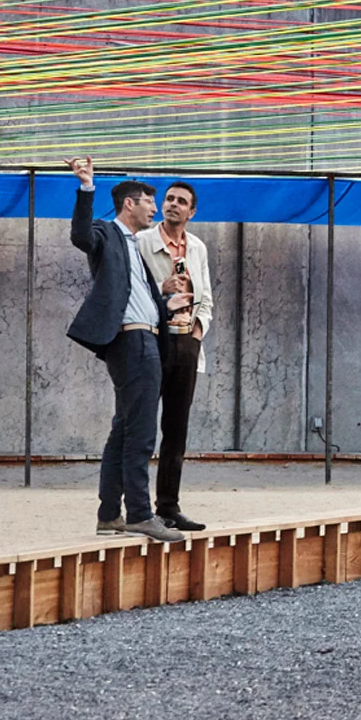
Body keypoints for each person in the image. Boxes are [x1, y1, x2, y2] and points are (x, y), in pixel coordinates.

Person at [64, 155, 191, 544]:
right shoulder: (105, 233)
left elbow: (131, 292)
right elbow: (80, 236)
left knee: (122, 432)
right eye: (150, 202)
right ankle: (139, 514)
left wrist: (162, 300)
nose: (156, 208)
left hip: (143, 336)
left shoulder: (134, 246)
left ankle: (109, 515)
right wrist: (87, 187)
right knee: (140, 433)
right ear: (130, 204)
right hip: (133, 343)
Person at [137, 180, 214, 533]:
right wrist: (160, 293)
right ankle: (134, 507)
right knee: (138, 425)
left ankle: (168, 505)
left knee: (176, 429)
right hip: (150, 341)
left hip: (186, 344)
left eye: (181, 201)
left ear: (191, 211)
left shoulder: (197, 248)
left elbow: (207, 298)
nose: (172, 205)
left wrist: (196, 332)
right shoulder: (141, 243)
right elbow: (131, 293)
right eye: (168, 199)